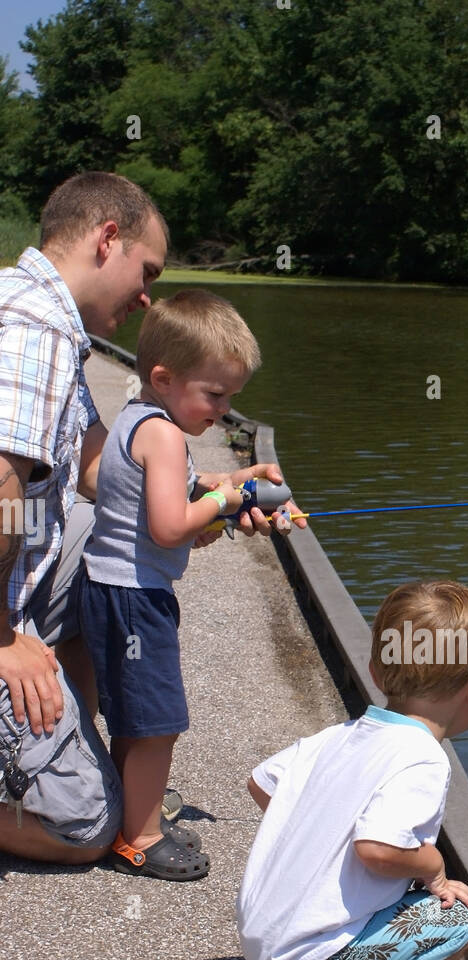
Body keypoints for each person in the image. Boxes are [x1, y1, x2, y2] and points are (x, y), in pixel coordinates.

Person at [0, 171, 302, 865]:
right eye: (147, 272)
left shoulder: (54, 327)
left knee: (102, 534)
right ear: (108, 238)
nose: (146, 296)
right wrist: (3, 639)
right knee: (86, 825)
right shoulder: (29, 328)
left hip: (25, 558)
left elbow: (101, 473)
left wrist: (215, 491)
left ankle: (75, 728)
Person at [237, 579, 468, 960]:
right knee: (461, 917)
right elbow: (378, 848)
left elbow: (261, 783)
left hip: (266, 947)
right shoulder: (423, 758)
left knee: (370, 898)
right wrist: (434, 866)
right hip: (309, 957)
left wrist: (319, 831)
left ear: (376, 668)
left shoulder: (339, 736)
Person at [78, 289, 278, 878]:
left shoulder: (139, 421)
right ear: (164, 378)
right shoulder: (165, 436)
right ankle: (138, 838)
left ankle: (130, 820)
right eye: (214, 395)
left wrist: (229, 489)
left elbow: (165, 513)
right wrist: (223, 498)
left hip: (114, 590)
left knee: (136, 719)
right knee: (158, 724)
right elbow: (170, 527)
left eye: (231, 398)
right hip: (137, 600)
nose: (220, 409)